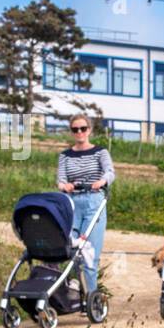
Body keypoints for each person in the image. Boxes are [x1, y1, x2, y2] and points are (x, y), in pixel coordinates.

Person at [55, 113, 114, 293]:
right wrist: (65, 186)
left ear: (89, 130)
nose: (79, 132)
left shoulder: (100, 152)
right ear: (72, 132)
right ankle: (74, 290)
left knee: (89, 253)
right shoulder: (65, 156)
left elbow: (110, 172)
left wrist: (102, 182)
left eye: (83, 129)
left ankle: (91, 296)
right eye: (75, 129)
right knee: (71, 248)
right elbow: (60, 179)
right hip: (72, 203)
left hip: (93, 201)